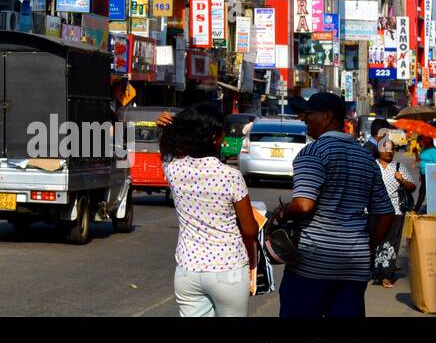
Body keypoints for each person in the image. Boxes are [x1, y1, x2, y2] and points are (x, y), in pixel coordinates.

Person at [276, 92, 395, 317]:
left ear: (327, 116)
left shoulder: (313, 152)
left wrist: (282, 214)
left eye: (309, 113)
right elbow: (386, 213)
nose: (304, 118)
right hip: (355, 264)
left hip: (314, 263)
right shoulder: (366, 158)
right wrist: (367, 248)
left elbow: (303, 205)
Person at [157, 103, 259, 317]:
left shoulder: (174, 169)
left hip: (188, 271)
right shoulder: (230, 176)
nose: (225, 136)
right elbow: (250, 230)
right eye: (222, 130)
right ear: (213, 137)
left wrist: (165, 128)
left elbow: (166, 151)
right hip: (229, 270)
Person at [373, 136, 416, 287]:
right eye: (385, 148)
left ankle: (386, 276)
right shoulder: (372, 166)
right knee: (375, 242)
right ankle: (375, 272)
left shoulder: (399, 166)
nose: (389, 151)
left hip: (395, 211)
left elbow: (413, 187)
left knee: (391, 243)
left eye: (392, 149)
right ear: (379, 149)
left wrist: (402, 181)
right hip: (374, 211)